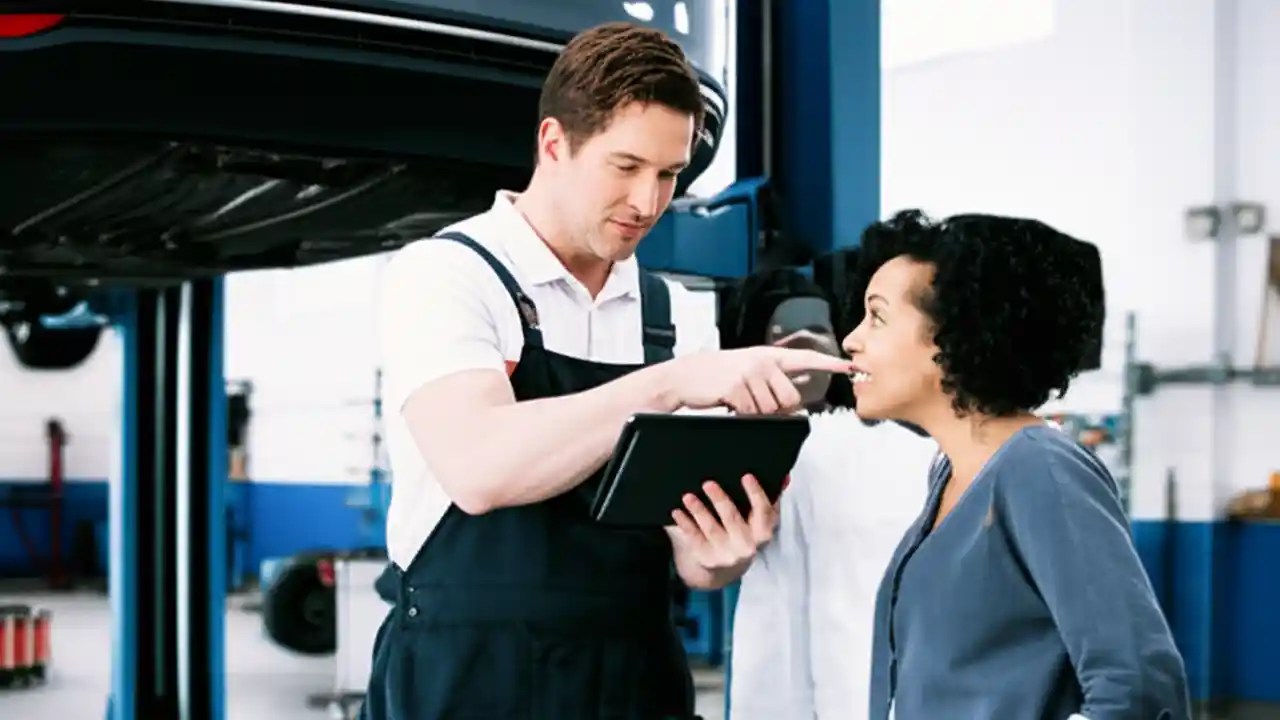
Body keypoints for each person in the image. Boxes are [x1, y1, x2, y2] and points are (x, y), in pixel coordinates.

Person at [361, 22, 853, 720]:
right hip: (466, 675)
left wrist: (721, 554)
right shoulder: (448, 275)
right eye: (625, 168)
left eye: (668, 174)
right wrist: (670, 385)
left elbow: (692, 557)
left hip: (634, 672)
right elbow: (479, 468)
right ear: (554, 144)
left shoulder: (670, 313)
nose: (648, 202)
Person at [842, 210, 1189, 719]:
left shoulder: (1040, 470)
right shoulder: (951, 472)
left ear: (951, 337)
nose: (852, 339)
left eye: (877, 316)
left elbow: (1138, 682)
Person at [723, 267, 937, 720]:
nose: (807, 352)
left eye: (819, 333)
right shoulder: (735, 444)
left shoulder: (901, 453)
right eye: (784, 335)